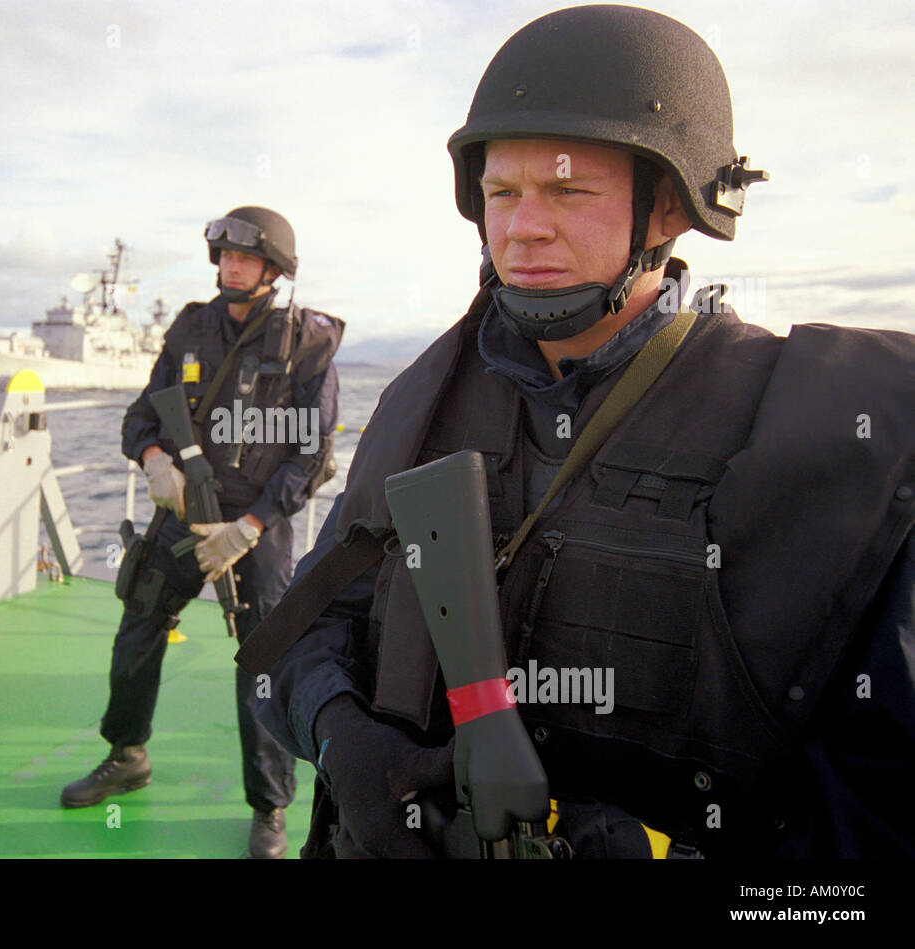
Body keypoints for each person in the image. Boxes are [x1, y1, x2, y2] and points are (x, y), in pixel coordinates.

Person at [250, 5, 915, 858]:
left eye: (567, 190)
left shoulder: (830, 445)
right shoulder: (427, 397)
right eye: (501, 193)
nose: (522, 226)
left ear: (670, 208)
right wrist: (343, 738)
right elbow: (302, 630)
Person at [59, 207, 343, 858]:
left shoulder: (307, 343)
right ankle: (126, 752)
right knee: (138, 622)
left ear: (274, 267)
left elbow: (312, 455)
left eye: (243, 257)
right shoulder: (191, 327)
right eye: (221, 256)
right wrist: (154, 459)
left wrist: (249, 527)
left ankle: (269, 805)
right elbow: (142, 415)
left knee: (261, 664)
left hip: (254, 525)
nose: (229, 267)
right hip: (184, 515)